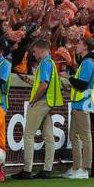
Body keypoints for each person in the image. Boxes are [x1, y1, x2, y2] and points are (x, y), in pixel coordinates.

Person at [14, 39, 62, 179]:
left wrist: (33, 101)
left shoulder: (44, 63)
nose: (34, 54)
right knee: (48, 136)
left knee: (28, 134)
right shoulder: (51, 63)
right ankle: (47, 169)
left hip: (41, 102)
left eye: (34, 51)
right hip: (49, 102)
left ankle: (27, 170)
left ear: (41, 50)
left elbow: (43, 85)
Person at [65, 39, 94, 179]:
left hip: (83, 103)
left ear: (85, 47)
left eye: (79, 44)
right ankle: (76, 167)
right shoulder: (86, 62)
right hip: (79, 103)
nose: (76, 46)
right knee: (74, 135)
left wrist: (69, 78)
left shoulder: (87, 63)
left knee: (85, 137)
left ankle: (85, 169)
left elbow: (82, 84)